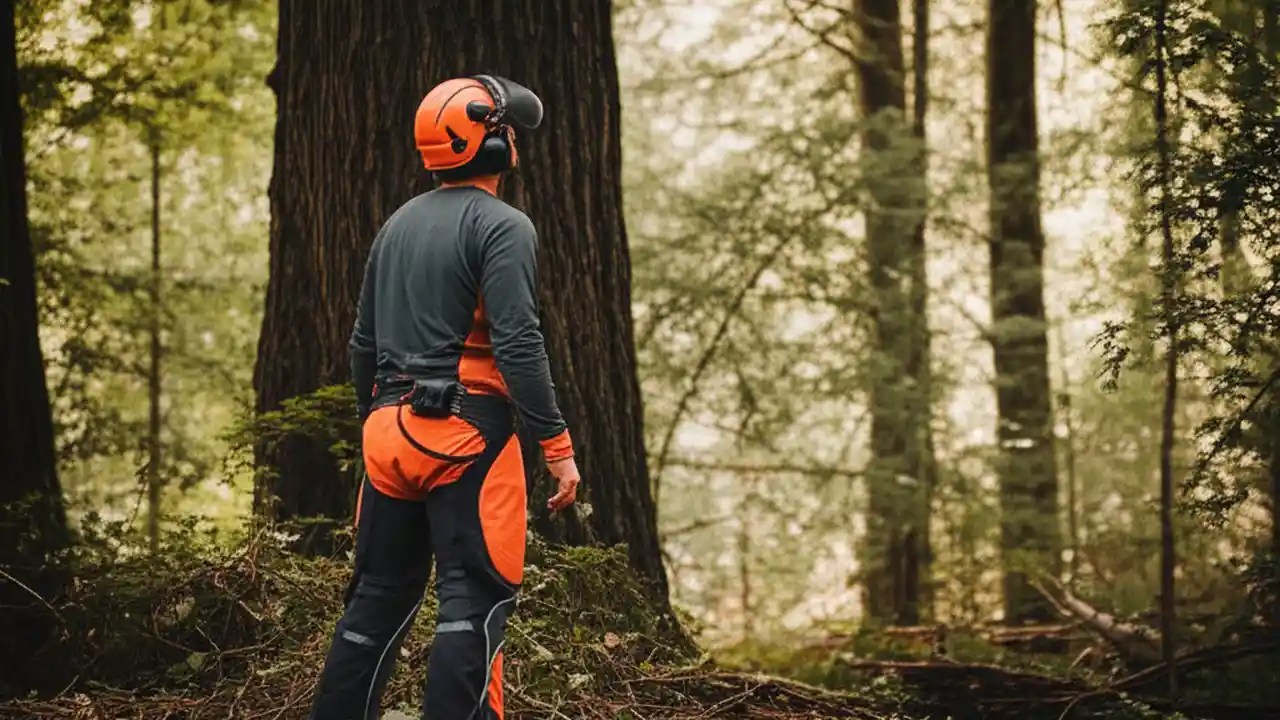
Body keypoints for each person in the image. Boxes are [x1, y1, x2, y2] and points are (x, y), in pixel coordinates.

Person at [309, 74, 581, 720]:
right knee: (474, 603)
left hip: (386, 433)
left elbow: (361, 346)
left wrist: (376, 426)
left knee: (375, 601)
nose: (514, 137)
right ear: (488, 144)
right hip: (467, 435)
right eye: (506, 128)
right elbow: (518, 343)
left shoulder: (396, 225)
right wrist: (557, 445)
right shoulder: (503, 226)